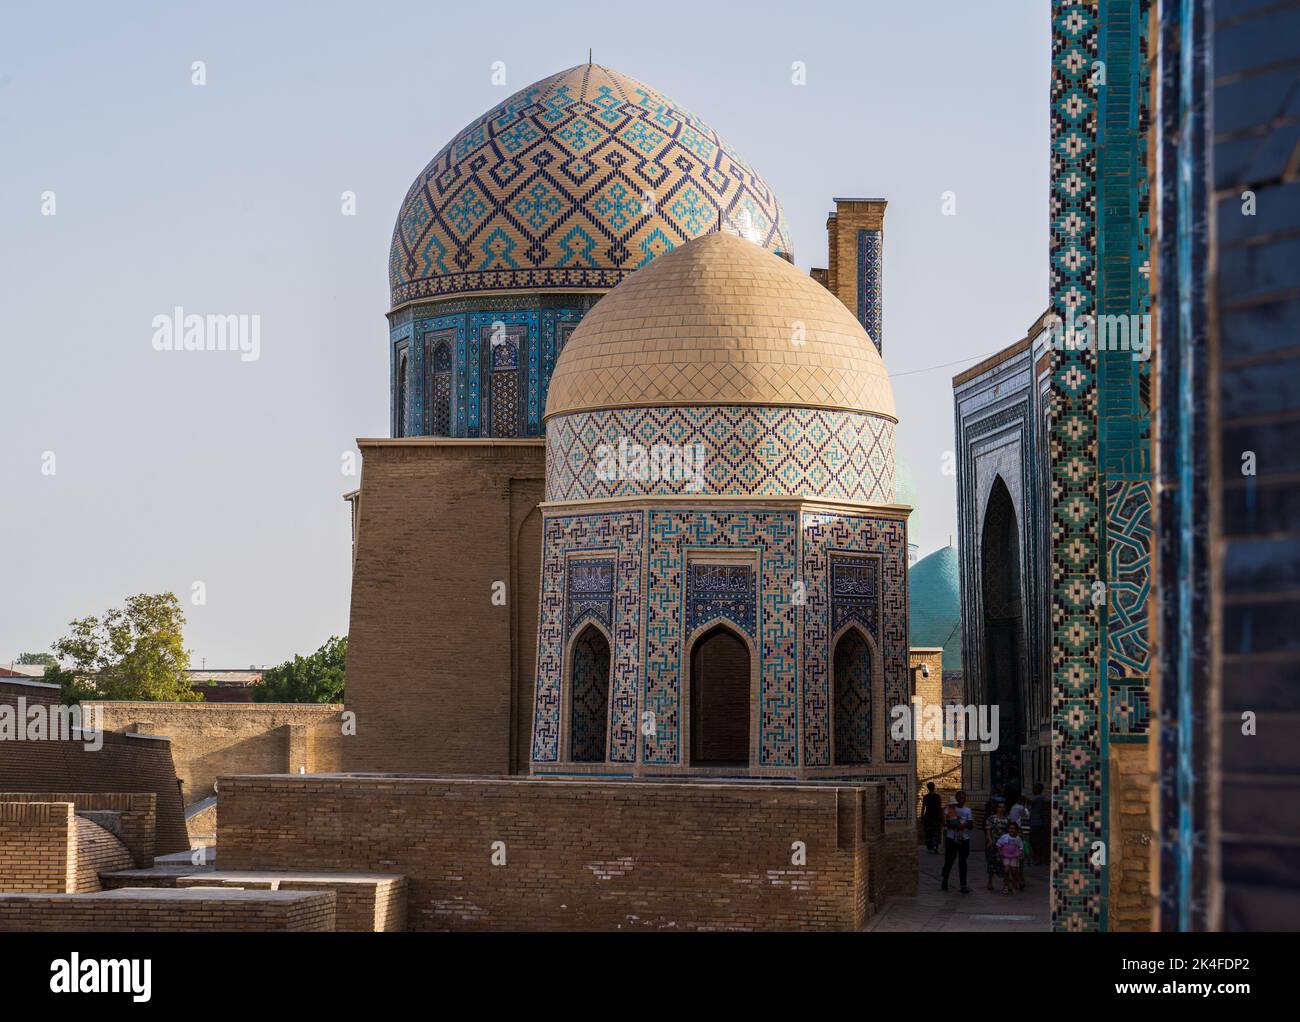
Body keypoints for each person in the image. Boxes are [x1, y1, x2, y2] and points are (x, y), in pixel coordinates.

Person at [940, 790, 974, 893]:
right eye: (960, 798)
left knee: (962, 861)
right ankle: (945, 879)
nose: (961, 800)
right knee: (949, 861)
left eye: (963, 798)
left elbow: (971, 825)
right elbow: (944, 822)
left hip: (964, 839)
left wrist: (964, 825)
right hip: (951, 839)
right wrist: (955, 825)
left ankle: (963, 885)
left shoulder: (967, 810)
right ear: (956, 798)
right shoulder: (950, 809)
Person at [985, 800, 1010, 891]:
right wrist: (990, 840)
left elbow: (1009, 832)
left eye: (1003, 807)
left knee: (1004, 863)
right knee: (991, 863)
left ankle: (1005, 883)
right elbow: (988, 830)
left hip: (1003, 845)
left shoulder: (1007, 819)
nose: (1002, 809)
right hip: (993, 843)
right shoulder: (991, 818)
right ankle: (990, 882)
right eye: (1000, 807)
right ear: (996, 808)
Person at [998, 822, 1027, 895]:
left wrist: (1019, 853)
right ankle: (1005, 887)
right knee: (1006, 871)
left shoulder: (1018, 838)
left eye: (1014, 829)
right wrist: (1000, 852)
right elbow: (999, 845)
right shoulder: (1004, 836)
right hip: (1006, 857)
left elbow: (1021, 848)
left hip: (1014, 857)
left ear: (1016, 830)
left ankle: (1014, 886)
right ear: (1008, 829)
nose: (1012, 830)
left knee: (1014, 872)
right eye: (1010, 828)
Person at [1028, 783, 1049, 865]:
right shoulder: (1038, 798)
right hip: (1035, 821)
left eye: (1035, 788)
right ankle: (1037, 856)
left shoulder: (1039, 797)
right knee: (1034, 841)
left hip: (1037, 822)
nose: (1033, 790)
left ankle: (1038, 857)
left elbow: (1029, 800)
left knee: (1034, 841)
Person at [921, 782, 943, 854]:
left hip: (929, 817)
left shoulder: (926, 797)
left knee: (929, 833)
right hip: (935, 817)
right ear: (934, 787)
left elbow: (923, 807)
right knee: (935, 833)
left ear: (928, 788)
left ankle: (931, 847)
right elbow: (940, 808)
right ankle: (935, 847)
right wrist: (941, 817)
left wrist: (922, 817)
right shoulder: (937, 796)